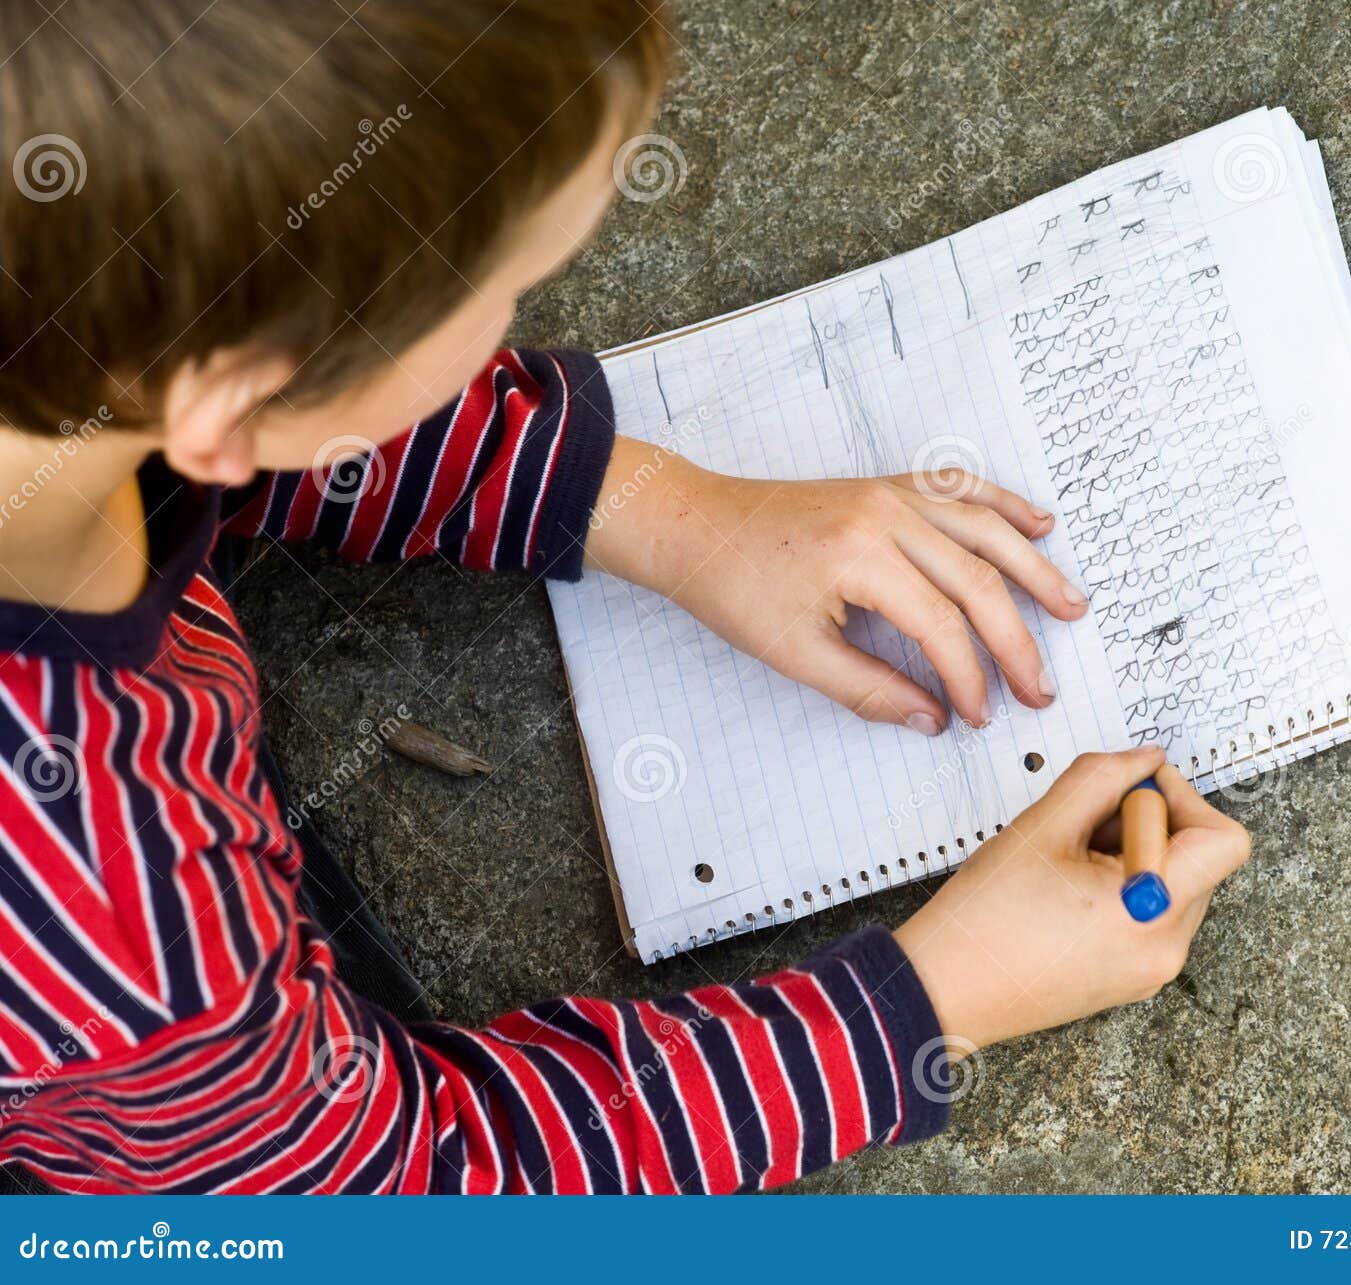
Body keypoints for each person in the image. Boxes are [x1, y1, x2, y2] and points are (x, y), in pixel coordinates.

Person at [0, 0, 1249, 1193]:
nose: (514, 318)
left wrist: (658, 509)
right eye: (501, 290)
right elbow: (396, 1191)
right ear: (245, 401)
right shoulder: (123, 931)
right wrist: (931, 1002)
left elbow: (222, 381)